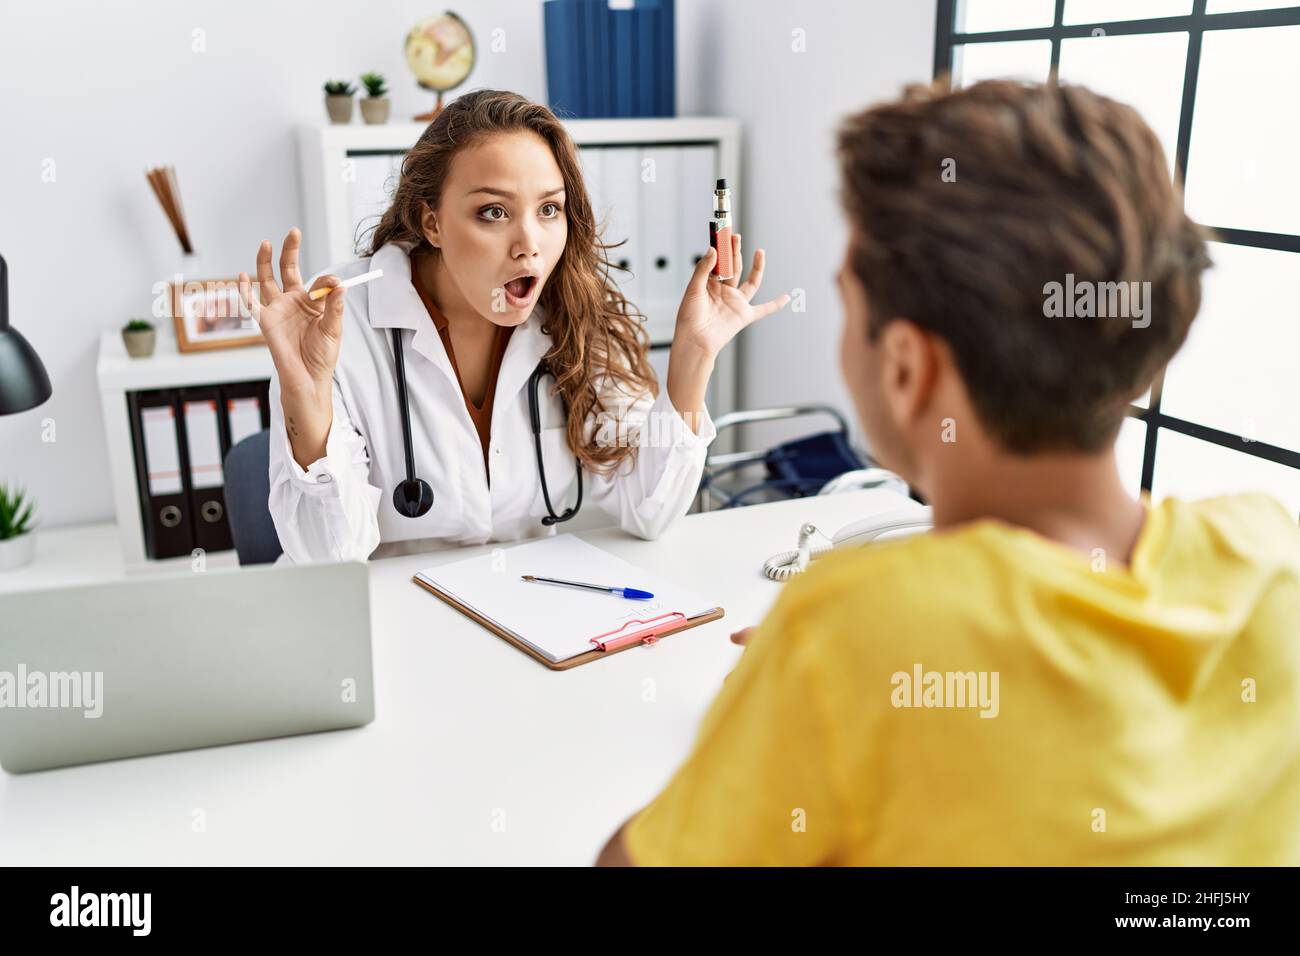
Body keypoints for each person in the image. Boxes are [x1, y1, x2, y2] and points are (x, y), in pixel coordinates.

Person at [597, 79, 1300, 866]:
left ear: (906, 368)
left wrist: (810, 685)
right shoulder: (1270, 553)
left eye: (848, 306)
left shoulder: (844, 632)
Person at [240, 89, 789, 562]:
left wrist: (693, 357)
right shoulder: (337, 325)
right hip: (386, 626)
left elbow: (650, 510)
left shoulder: (571, 311)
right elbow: (328, 558)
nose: (530, 244)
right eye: (494, 212)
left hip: (518, 615)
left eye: (549, 210)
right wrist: (305, 400)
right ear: (431, 221)